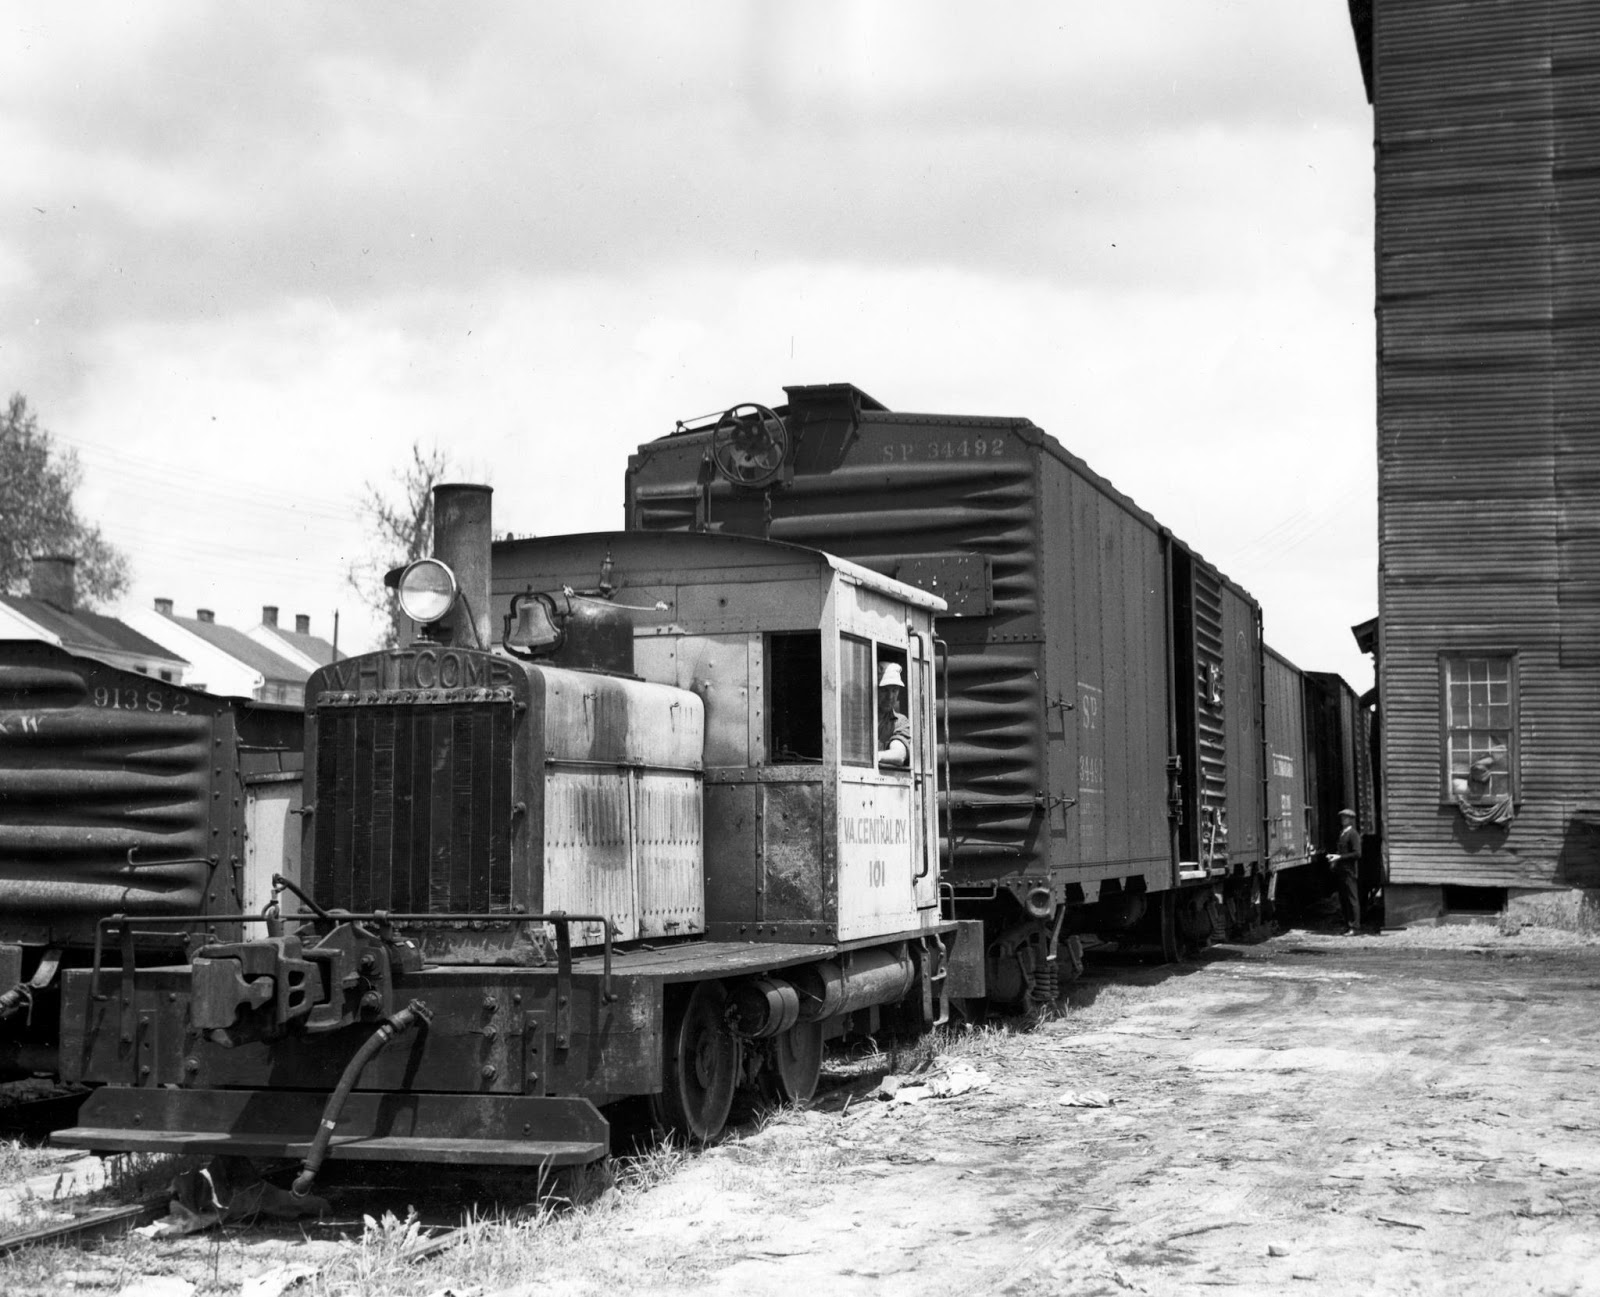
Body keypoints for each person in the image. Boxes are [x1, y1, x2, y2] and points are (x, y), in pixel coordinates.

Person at [1330, 808, 1362, 935]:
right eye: (1342, 817)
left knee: (1352, 899)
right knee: (1344, 899)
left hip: (1349, 871)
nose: (1343, 819)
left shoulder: (1353, 834)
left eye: (1346, 818)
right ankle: (1348, 925)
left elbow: (1357, 853)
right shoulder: (1342, 833)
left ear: (1351, 820)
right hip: (1342, 870)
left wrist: (1340, 857)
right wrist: (1334, 859)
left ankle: (1355, 927)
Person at [876, 662, 911, 767]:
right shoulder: (859, 716)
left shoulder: (900, 721)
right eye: (884, 690)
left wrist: (875, 757)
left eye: (894, 690)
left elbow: (899, 755)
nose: (890, 696)